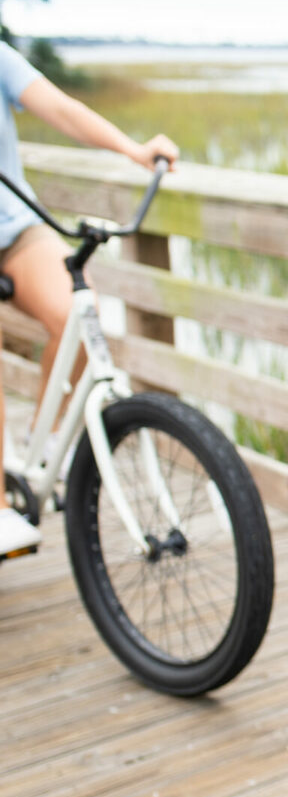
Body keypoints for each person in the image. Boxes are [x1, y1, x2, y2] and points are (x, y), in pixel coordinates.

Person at [0, 40, 178, 556]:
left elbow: (59, 107)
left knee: (80, 312)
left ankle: (46, 440)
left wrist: (133, 149)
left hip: (15, 230)